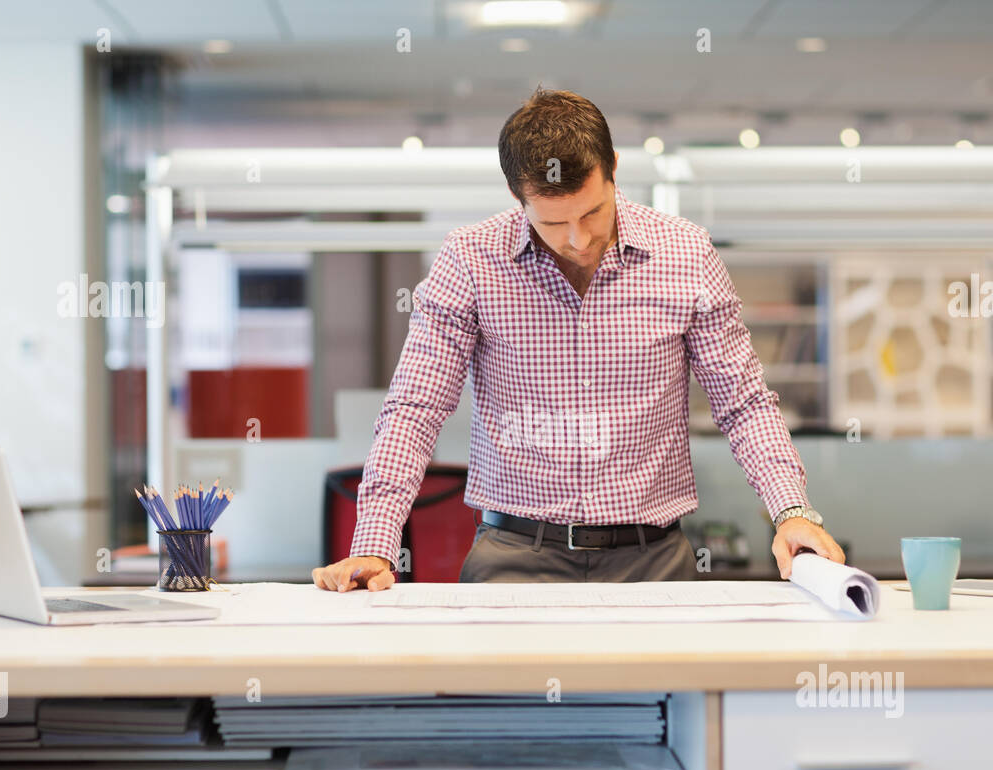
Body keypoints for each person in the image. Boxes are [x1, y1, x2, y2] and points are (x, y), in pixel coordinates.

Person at [313, 88, 844, 593]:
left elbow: (744, 402)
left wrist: (792, 511)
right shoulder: (470, 260)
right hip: (514, 558)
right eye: (552, 222)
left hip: (653, 562)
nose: (578, 239)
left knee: (668, 692)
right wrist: (376, 544)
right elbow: (415, 407)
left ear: (612, 167)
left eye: (592, 212)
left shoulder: (685, 254)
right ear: (516, 195)